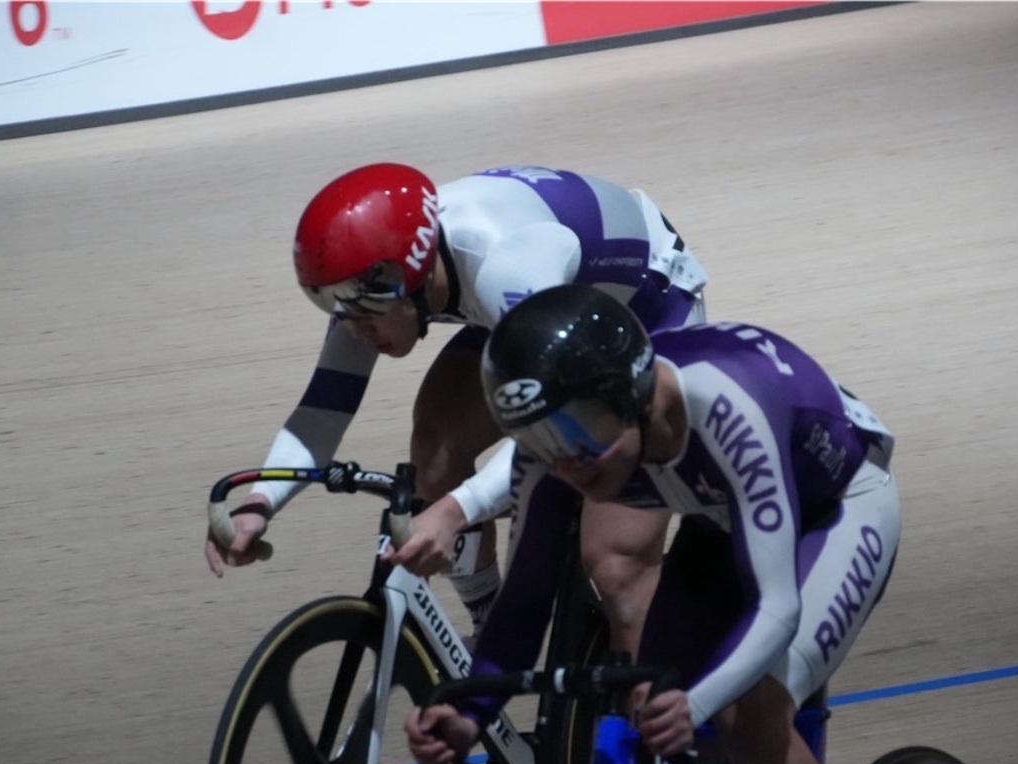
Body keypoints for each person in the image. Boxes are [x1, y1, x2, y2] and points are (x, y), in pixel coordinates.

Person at [405, 285, 901, 764]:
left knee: (749, 712)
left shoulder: (724, 406)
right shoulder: (559, 454)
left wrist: (701, 702)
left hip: (840, 506)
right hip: (724, 520)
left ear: (634, 396)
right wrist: (471, 715)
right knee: (654, 720)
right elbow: (524, 603)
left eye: (582, 431)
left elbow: (776, 608)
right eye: (538, 439)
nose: (567, 462)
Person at [204, 163, 709, 652]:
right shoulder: (378, 285)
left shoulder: (503, 267)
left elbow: (553, 431)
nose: (355, 330)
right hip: (545, 310)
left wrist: (456, 510)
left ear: (408, 276)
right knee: (436, 448)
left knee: (615, 563)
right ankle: (489, 628)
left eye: (365, 311)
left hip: (648, 304)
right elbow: (323, 409)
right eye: (334, 305)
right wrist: (261, 502)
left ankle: (667, 693)